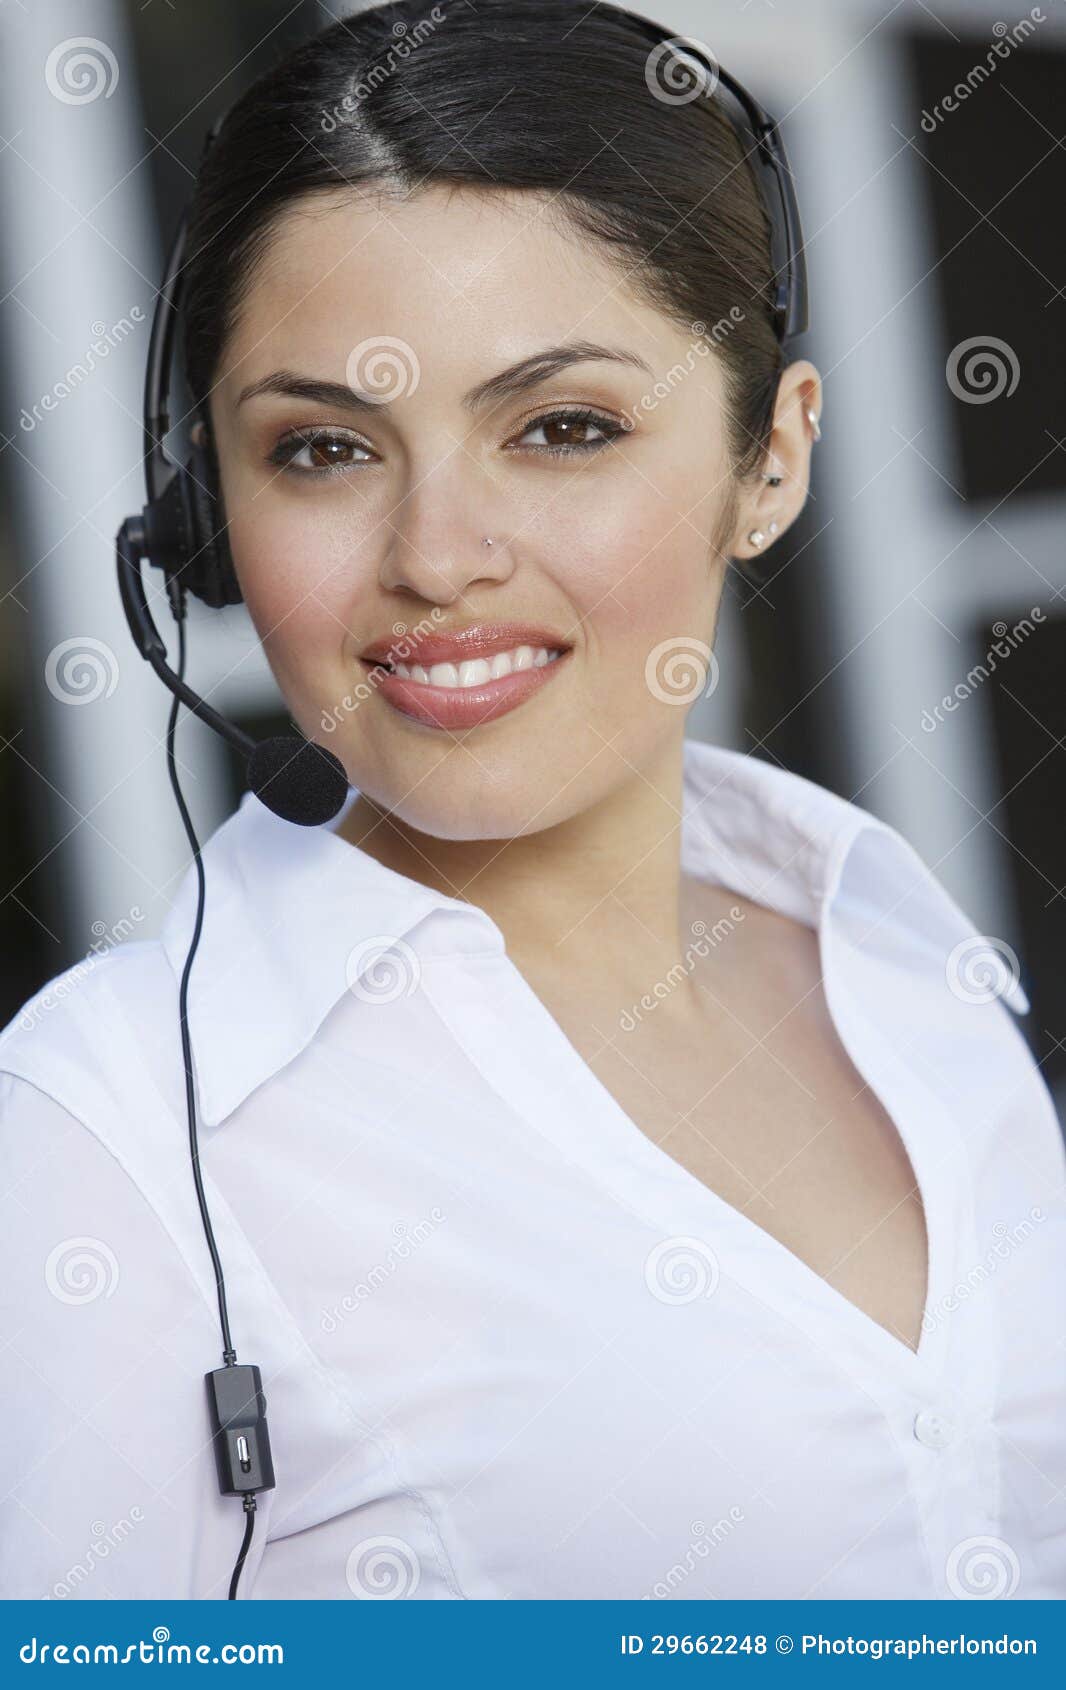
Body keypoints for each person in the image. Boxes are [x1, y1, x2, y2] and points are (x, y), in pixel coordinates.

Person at [2, 0, 1063, 1602]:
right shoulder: (105, 1140)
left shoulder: (914, 972)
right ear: (203, 515)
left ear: (767, 459)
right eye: (322, 450)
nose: (437, 554)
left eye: (559, 428)